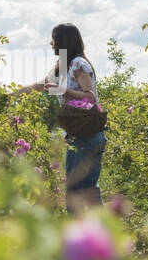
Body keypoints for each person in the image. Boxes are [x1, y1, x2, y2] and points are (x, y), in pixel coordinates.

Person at [17, 24, 105, 213]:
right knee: (89, 190)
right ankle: (104, 236)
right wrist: (10, 95)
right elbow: (39, 85)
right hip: (81, 135)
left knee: (76, 194)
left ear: (63, 41)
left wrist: (65, 91)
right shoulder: (63, 67)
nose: (51, 43)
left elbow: (90, 97)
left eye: (54, 38)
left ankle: (82, 238)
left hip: (86, 136)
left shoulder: (79, 64)